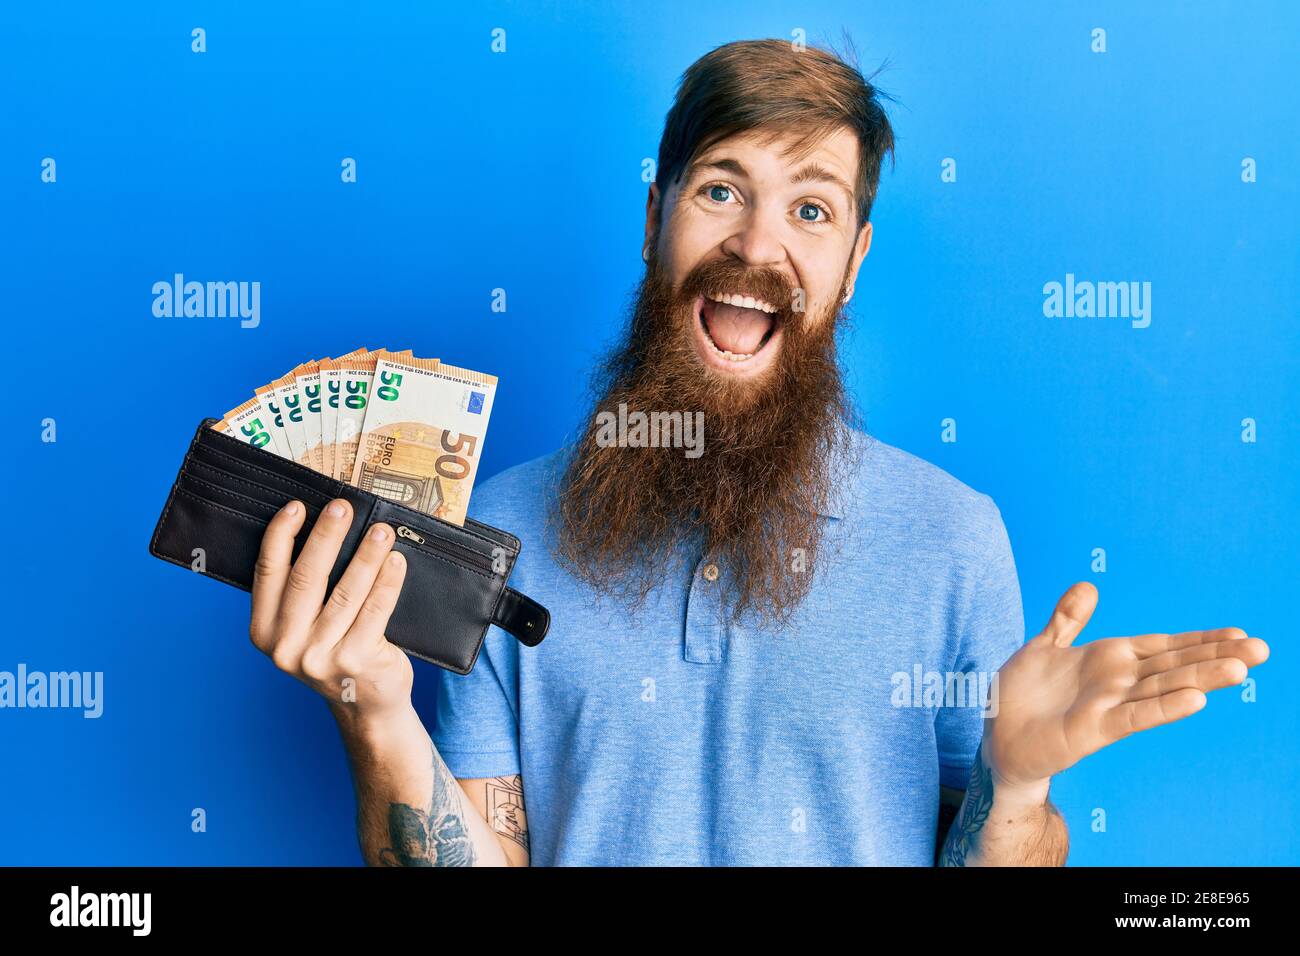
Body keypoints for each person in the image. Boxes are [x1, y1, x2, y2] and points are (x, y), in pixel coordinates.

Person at [246, 39, 1269, 866]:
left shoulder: (955, 539)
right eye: (721, 190)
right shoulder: (502, 533)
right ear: (656, 220)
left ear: (853, 263)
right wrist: (372, 707)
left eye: (811, 209)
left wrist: (1016, 779)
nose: (755, 246)